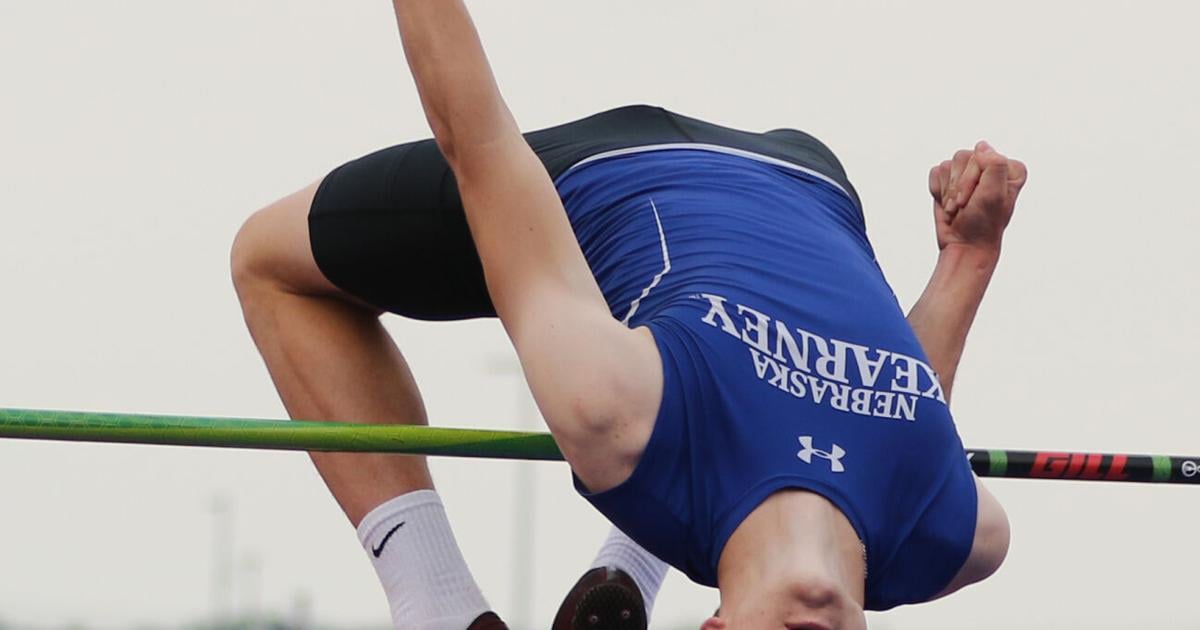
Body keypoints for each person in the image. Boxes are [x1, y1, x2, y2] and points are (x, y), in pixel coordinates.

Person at [231, 2, 1026, 629]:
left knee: (267, 262)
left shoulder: (613, 411)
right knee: (673, 431)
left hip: (601, 184)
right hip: (804, 182)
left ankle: (439, 606)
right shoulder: (955, 536)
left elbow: (479, 146)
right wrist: (970, 255)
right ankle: (635, 559)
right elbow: (903, 413)